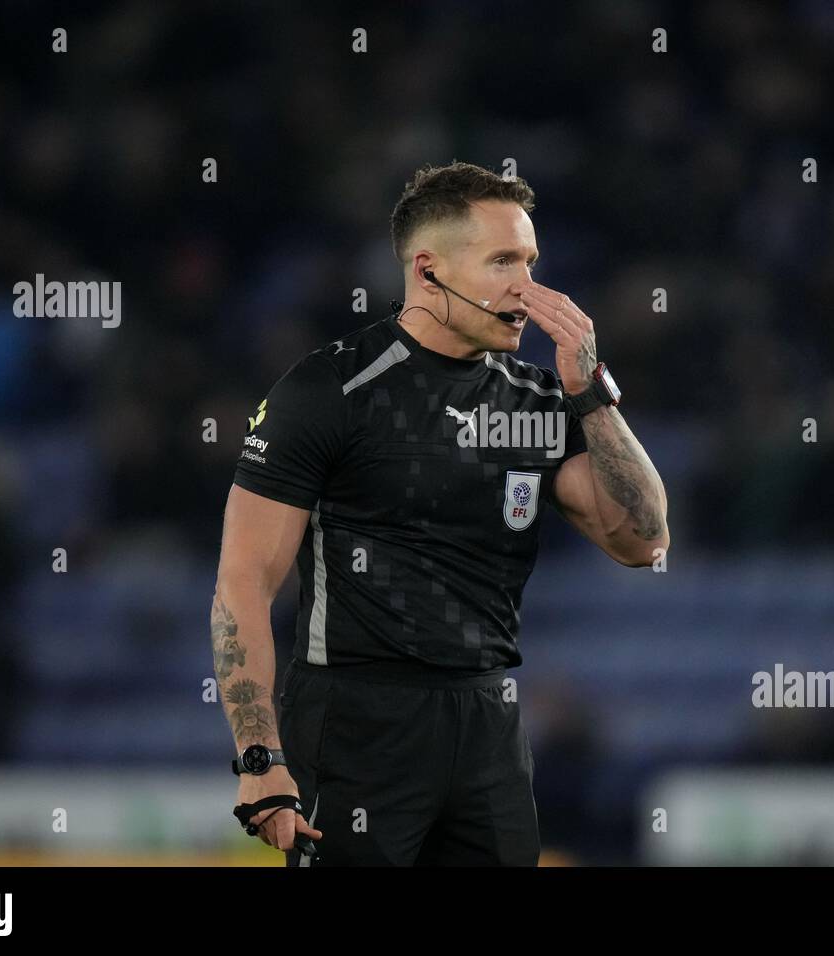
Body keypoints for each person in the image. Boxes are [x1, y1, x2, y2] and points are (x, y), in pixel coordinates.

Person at [211, 161, 669, 866]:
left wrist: (591, 392)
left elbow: (644, 540)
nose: (528, 286)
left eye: (532, 262)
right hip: (357, 722)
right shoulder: (330, 390)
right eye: (503, 262)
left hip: (488, 724)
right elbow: (243, 581)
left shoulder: (539, 403)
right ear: (429, 271)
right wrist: (258, 757)